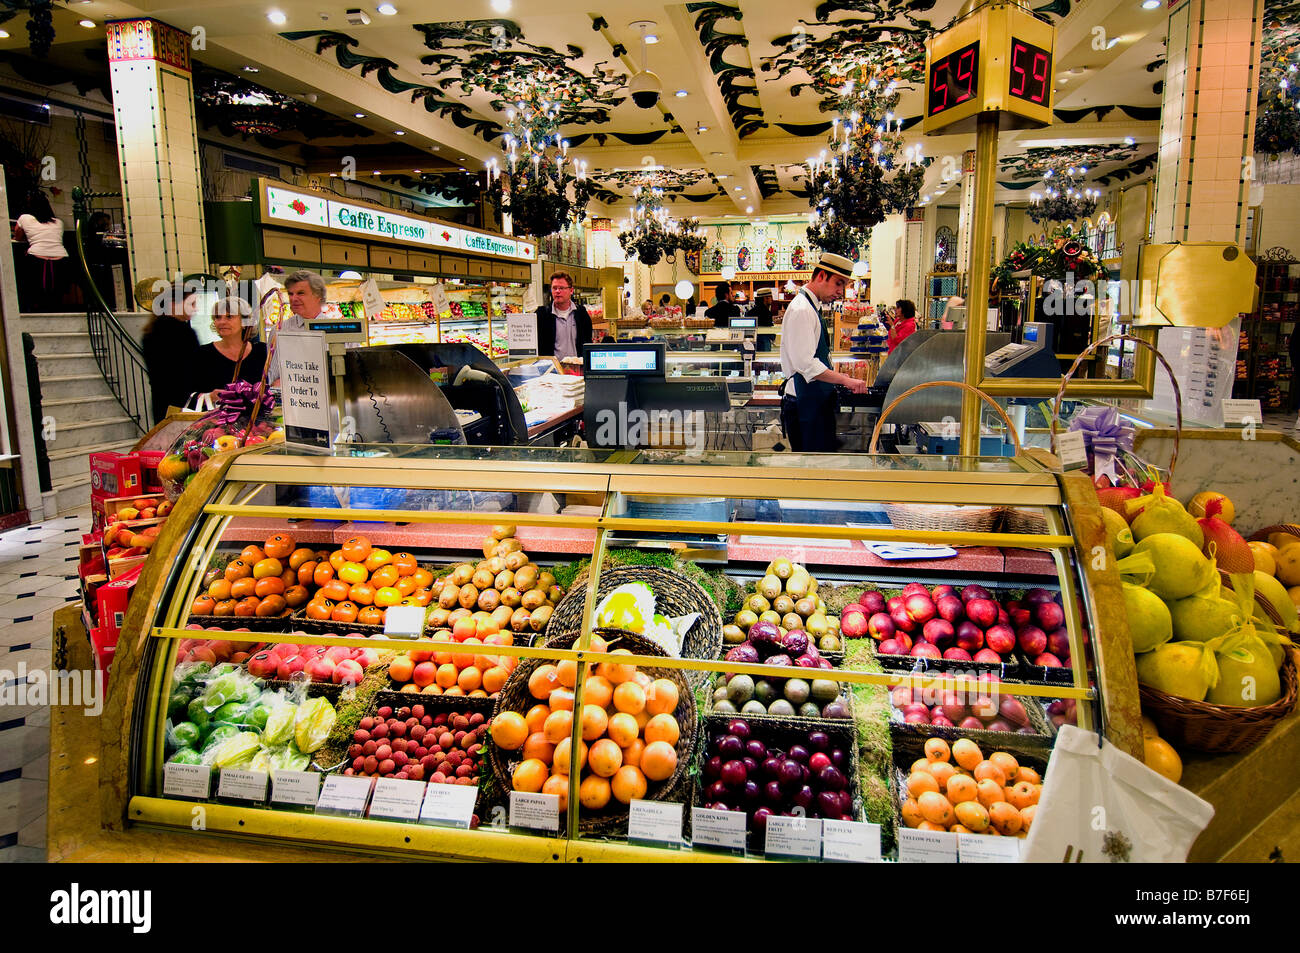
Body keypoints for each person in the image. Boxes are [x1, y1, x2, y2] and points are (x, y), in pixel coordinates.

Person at [779, 252, 868, 452]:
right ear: (821, 276)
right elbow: (805, 363)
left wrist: (839, 376)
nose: (840, 291)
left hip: (813, 402)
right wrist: (845, 380)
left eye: (844, 285)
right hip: (805, 405)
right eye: (838, 283)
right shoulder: (802, 310)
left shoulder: (811, 307)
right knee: (812, 470)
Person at [141, 280, 202, 424]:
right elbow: (193, 370)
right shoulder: (183, 333)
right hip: (185, 402)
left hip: (161, 400)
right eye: (191, 304)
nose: (195, 309)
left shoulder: (150, 331)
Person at [196, 296, 268, 397]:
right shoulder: (202, 354)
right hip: (214, 411)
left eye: (229, 317)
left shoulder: (262, 351)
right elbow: (185, 394)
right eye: (218, 317)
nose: (222, 322)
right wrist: (208, 396)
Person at [267, 269, 327, 386]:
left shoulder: (339, 330)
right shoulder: (279, 330)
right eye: (290, 294)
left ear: (318, 296)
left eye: (300, 293)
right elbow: (271, 376)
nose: (293, 298)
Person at [12, 192, 67, 312]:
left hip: (37, 259)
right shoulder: (59, 222)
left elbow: (18, 237)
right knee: (56, 295)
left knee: (33, 290)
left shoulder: (24, 218)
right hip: (61, 260)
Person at [535, 271, 592, 361]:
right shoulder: (542, 315)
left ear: (571, 290)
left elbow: (588, 343)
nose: (557, 291)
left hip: (577, 369)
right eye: (554, 288)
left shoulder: (581, 314)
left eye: (561, 288)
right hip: (552, 371)